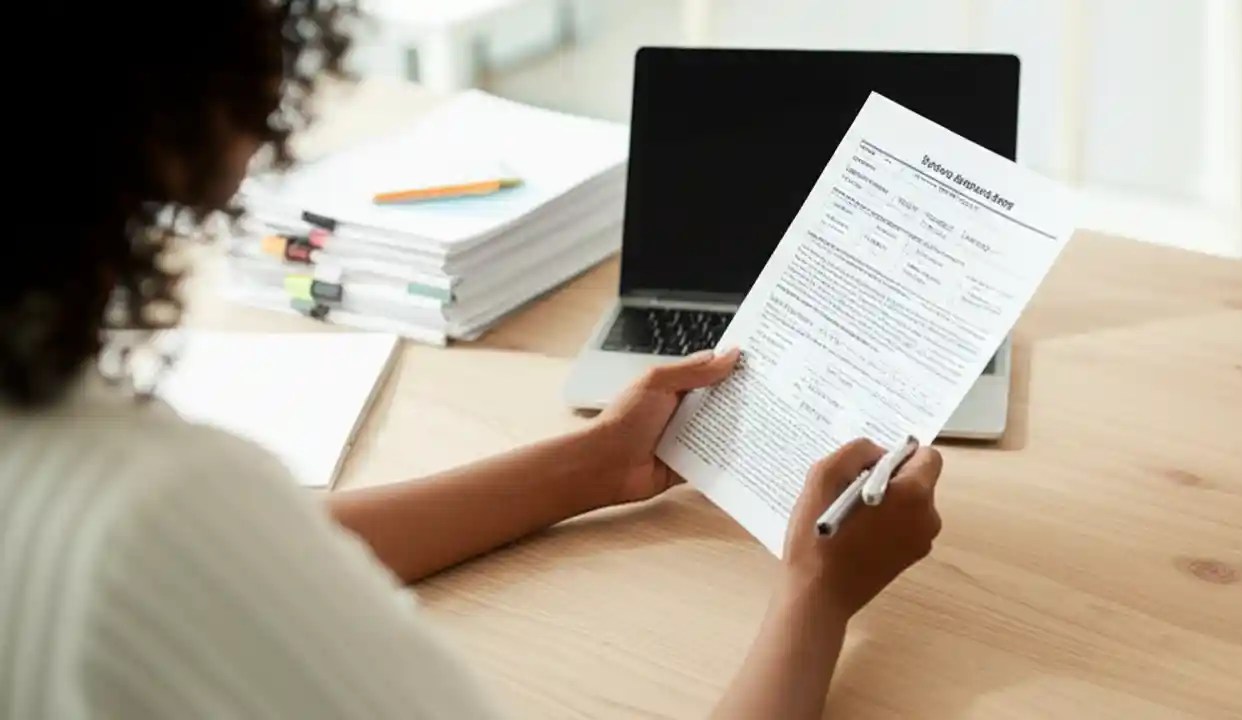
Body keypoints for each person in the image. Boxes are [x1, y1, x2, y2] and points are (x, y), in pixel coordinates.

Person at [1, 3, 943, 718]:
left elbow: (265, 547)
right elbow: (197, 548)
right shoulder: (149, 513)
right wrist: (818, 600)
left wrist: (585, 467)